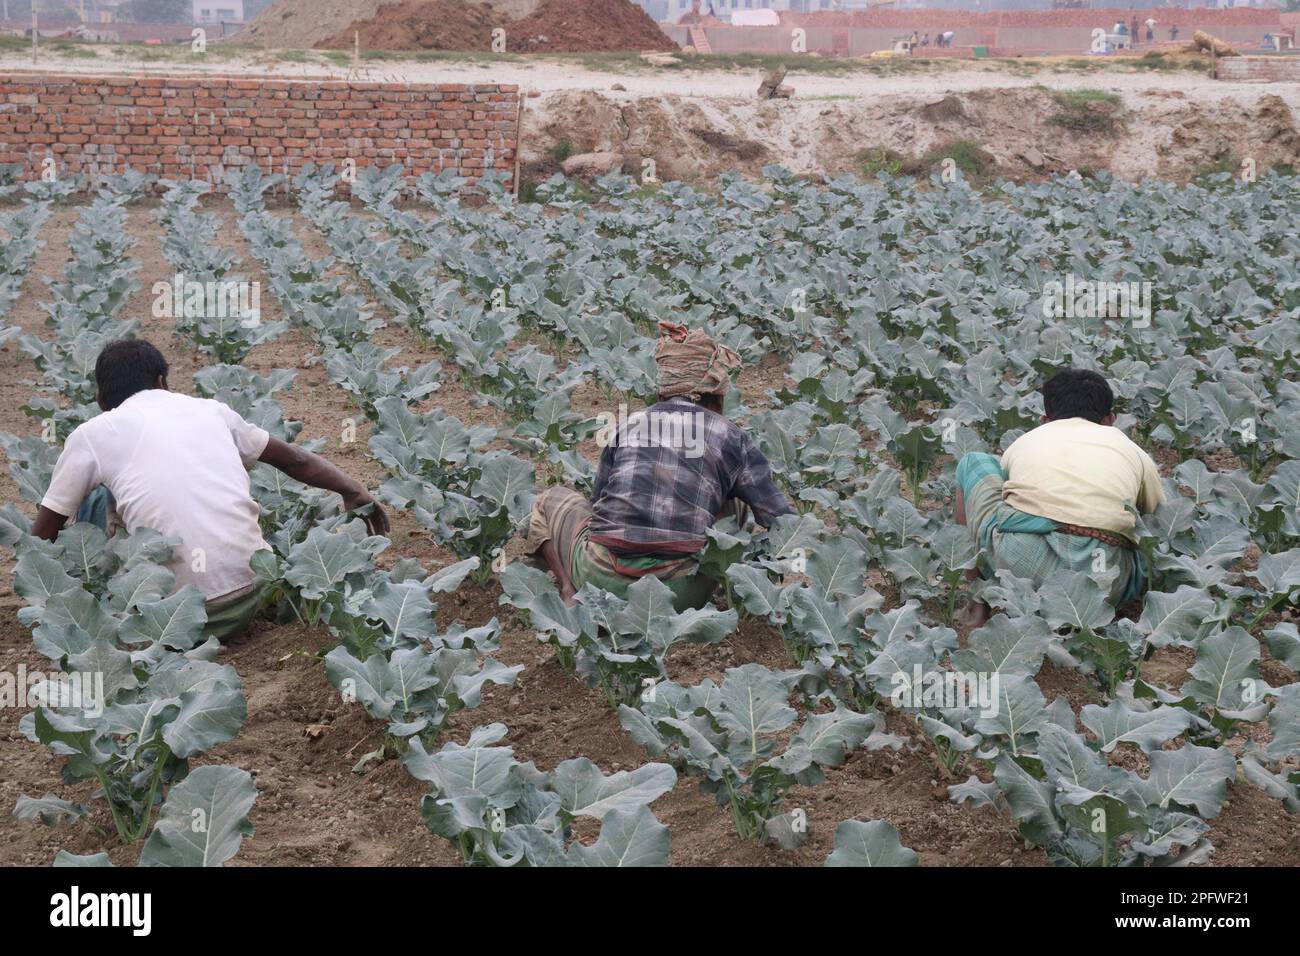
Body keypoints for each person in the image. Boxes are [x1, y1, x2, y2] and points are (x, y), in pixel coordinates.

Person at [30, 340, 388, 641]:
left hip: (171, 622)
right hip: (256, 593)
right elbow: (294, 460)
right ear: (161, 380)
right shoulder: (212, 411)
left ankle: (122, 591)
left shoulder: (92, 435)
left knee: (94, 495)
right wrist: (353, 490)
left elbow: (44, 533)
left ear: (100, 397)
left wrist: (50, 593)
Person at [528, 322, 794, 611]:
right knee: (737, 501)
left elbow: (597, 505)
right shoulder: (731, 435)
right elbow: (783, 521)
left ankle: (569, 588)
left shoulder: (628, 425)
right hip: (682, 594)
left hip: (601, 582)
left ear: (661, 393)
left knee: (547, 501)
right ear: (716, 395)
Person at [954, 368, 1165, 625]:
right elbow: (1154, 518)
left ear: (1045, 420)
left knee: (973, 462)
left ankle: (978, 601)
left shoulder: (1026, 441)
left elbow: (1007, 495)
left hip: (1021, 569)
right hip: (1104, 580)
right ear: (1110, 420)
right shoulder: (1134, 452)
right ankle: (1100, 613)